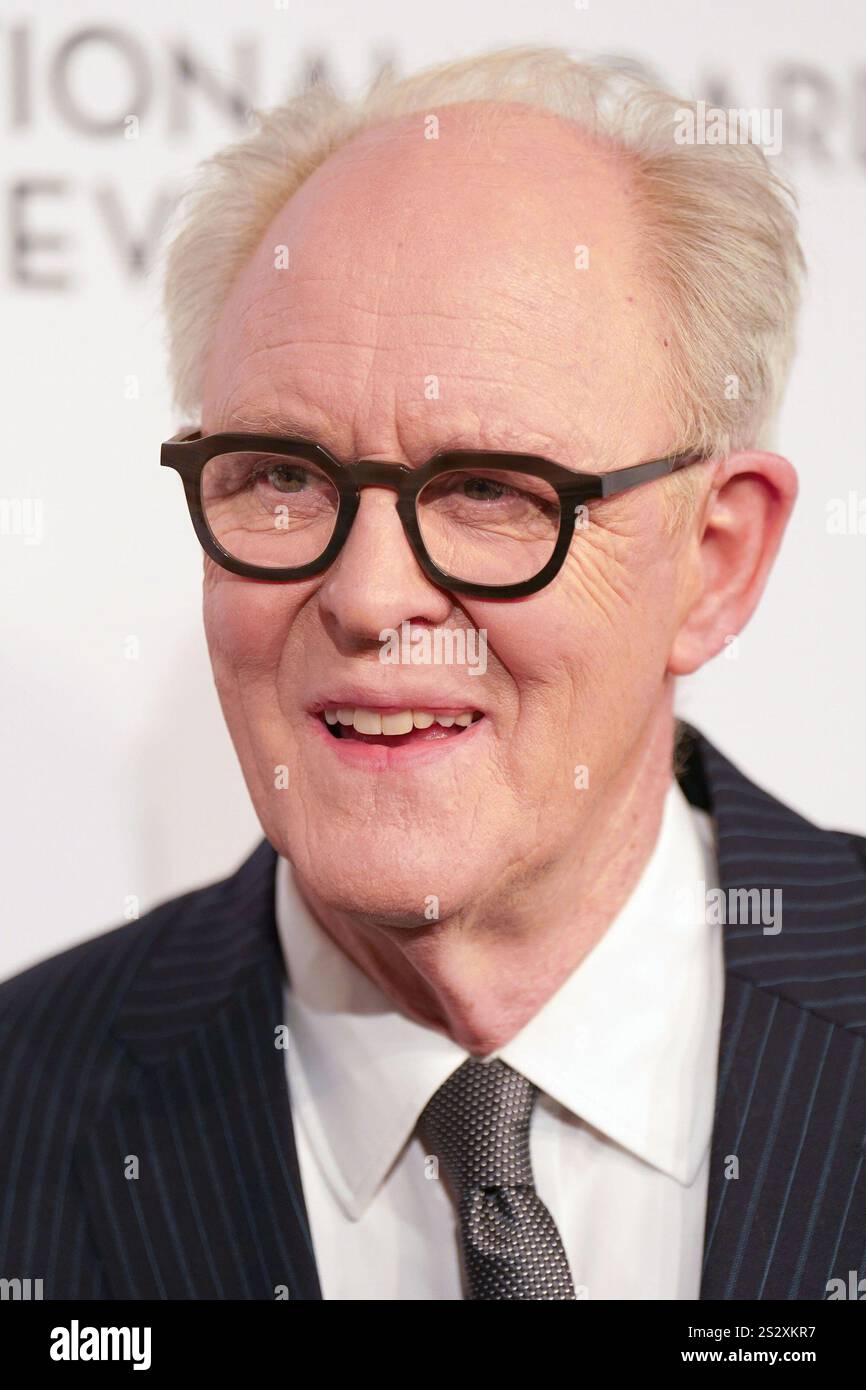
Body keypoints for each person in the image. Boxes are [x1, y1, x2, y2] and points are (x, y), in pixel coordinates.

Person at [3, 46, 864, 1302]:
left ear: (713, 562)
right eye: (283, 476)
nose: (364, 598)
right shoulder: (24, 1113)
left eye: (485, 490)